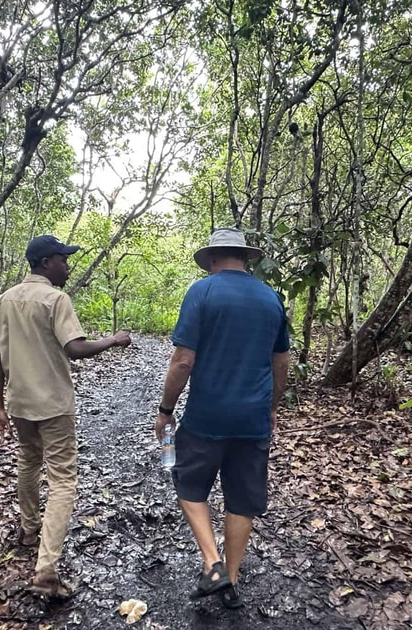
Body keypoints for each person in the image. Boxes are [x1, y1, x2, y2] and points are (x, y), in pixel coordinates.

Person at [0, 234, 131, 600]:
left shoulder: (5, 300)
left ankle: (29, 528)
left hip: (19, 402)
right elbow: (76, 348)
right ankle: (45, 568)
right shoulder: (56, 299)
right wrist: (114, 341)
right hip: (53, 403)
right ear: (47, 262)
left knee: (28, 461)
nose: (68, 266)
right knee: (64, 479)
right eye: (64, 260)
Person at [155, 227, 290, 609]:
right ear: (245, 258)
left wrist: (166, 411)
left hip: (207, 416)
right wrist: (272, 407)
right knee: (242, 497)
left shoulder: (203, 291)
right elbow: (281, 360)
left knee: (189, 485)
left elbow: (183, 360)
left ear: (213, 259)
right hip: (253, 418)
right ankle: (229, 580)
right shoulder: (271, 298)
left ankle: (212, 562)